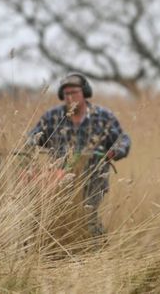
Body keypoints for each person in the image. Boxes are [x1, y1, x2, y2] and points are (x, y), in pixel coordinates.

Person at [27, 72, 131, 237]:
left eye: (74, 92)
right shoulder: (52, 117)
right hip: (59, 179)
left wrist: (113, 152)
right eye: (66, 93)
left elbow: (122, 140)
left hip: (94, 177)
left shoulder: (103, 116)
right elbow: (32, 139)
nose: (70, 97)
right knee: (58, 219)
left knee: (88, 217)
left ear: (85, 93)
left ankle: (98, 253)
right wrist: (28, 161)